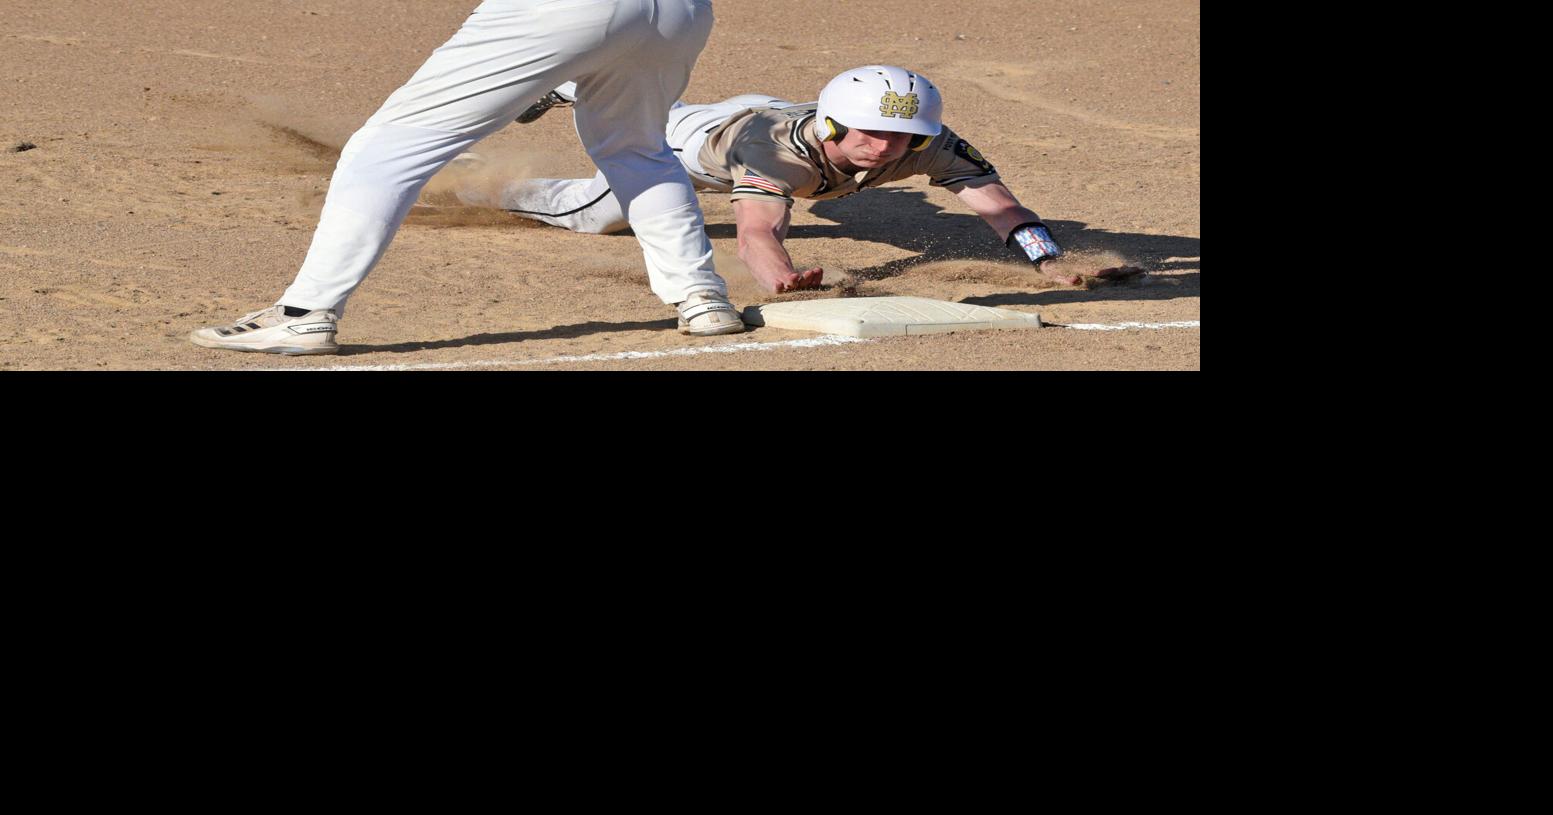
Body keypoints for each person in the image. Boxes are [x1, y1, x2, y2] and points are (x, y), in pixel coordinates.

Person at [191, 0, 742, 357]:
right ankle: (703, 298)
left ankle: (304, 313)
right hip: (680, 11)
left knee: (391, 144)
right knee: (638, 147)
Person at [464, 65, 1142, 294]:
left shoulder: (924, 141)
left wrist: (1048, 260)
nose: (887, 149)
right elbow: (758, 231)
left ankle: (583, 86)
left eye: (902, 138)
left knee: (668, 111)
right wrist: (782, 280)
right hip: (696, 148)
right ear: (834, 126)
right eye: (872, 134)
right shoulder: (777, 157)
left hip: (749, 116)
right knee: (598, 210)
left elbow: (1003, 210)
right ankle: (466, 189)